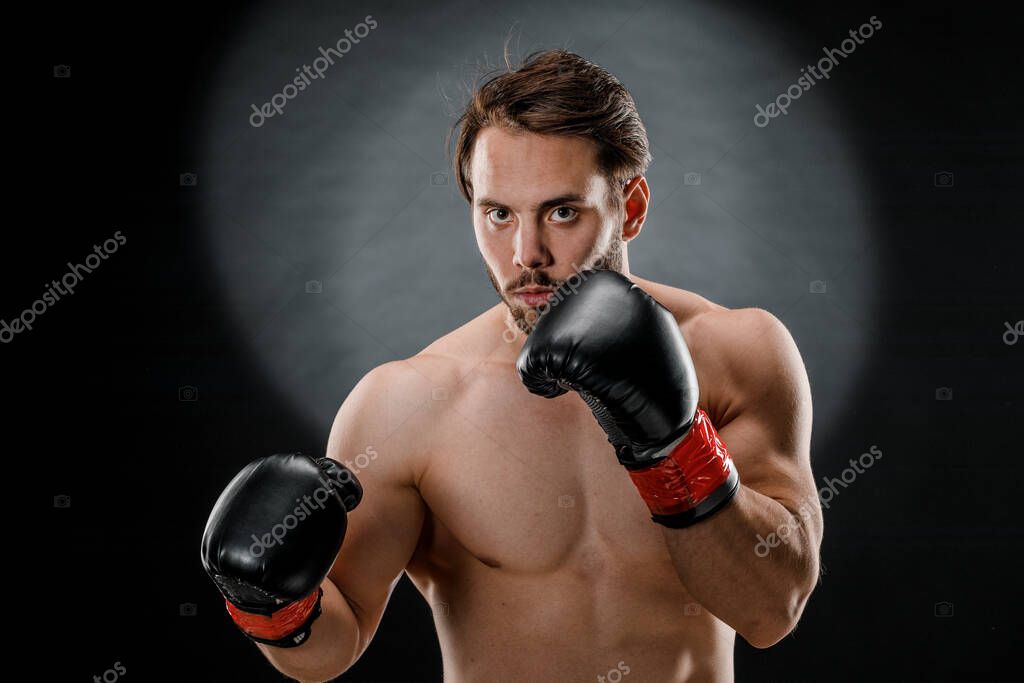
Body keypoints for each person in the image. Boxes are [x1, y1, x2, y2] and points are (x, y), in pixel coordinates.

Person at [201, 48, 823, 682]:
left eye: (561, 212)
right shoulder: (404, 404)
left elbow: (773, 609)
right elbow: (333, 648)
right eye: (498, 214)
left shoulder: (741, 352)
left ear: (630, 206)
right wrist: (269, 607)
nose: (528, 254)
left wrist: (673, 444)